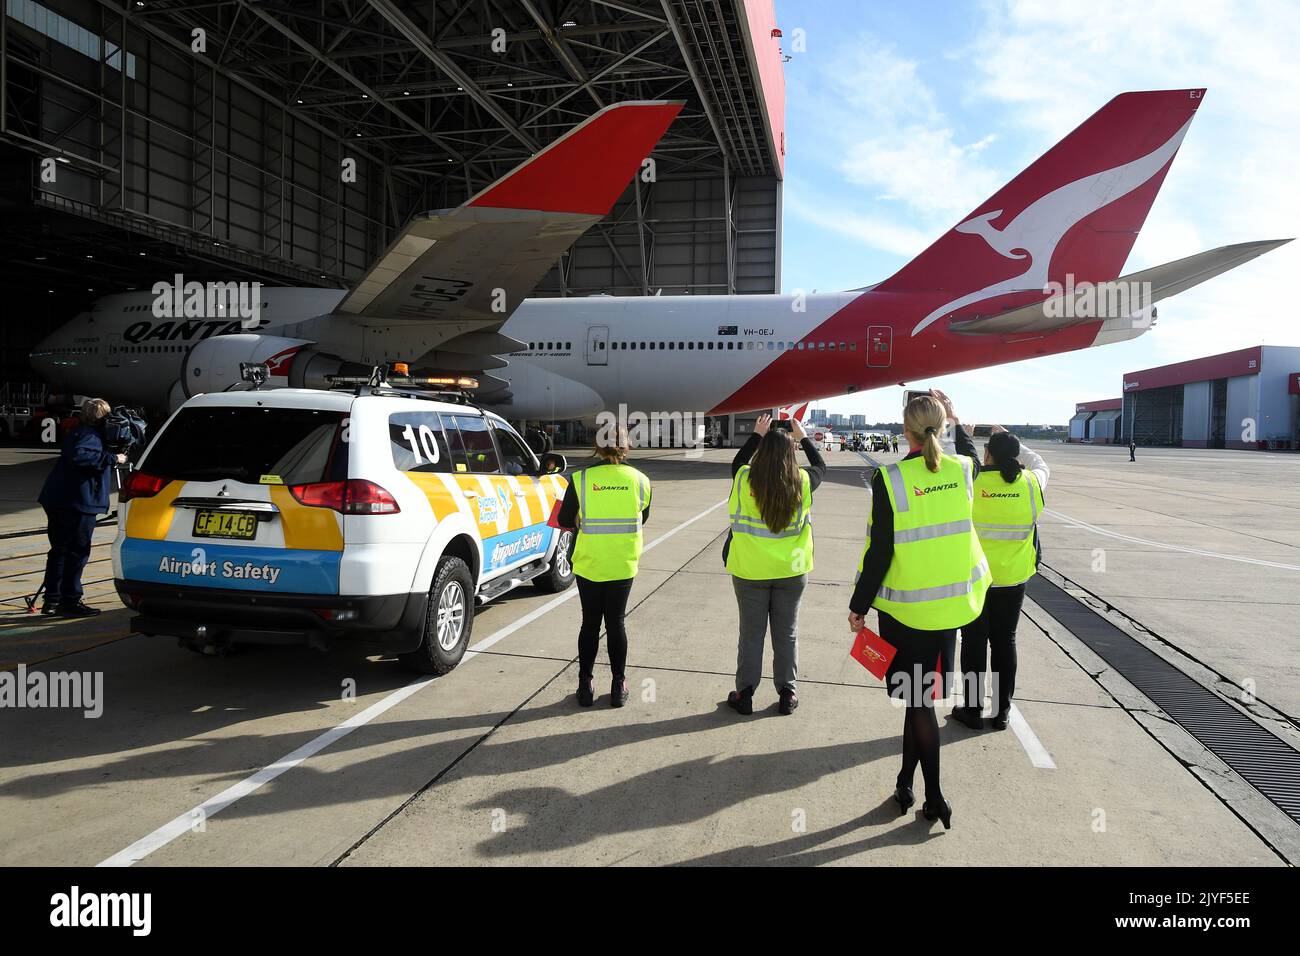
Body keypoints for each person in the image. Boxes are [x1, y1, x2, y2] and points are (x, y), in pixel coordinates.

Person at [847, 390, 988, 829]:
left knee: (917, 702)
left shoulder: (889, 480)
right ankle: (905, 782)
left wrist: (858, 606)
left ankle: (936, 797)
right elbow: (969, 453)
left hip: (906, 615)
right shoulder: (964, 471)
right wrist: (957, 419)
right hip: (950, 612)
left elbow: (880, 553)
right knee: (917, 701)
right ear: (941, 427)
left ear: (903, 429)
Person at [724, 413, 826, 716]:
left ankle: (745, 694)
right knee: (787, 633)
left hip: (750, 570)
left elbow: (738, 462)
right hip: (792, 572)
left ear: (763, 452)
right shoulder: (803, 482)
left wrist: (757, 434)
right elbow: (821, 466)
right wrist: (803, 437)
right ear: (790, 453)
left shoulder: (744, 479)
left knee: (751, 634)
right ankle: (787, 692)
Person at [952, 426, 1048, 731]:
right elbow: (1041, 465)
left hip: (977, 578)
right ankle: (1003, 711)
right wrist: (1013, 442)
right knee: (1005, 641)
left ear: (987, 453)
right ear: (1015, 454)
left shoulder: (973, 480)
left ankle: (972, 709)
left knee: (973, 642)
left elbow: (961, 460)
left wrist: (961, 431)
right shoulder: (1032, 483)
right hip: (1013, 578)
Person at [556, 426, 651, 707]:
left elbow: (563, 519)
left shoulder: (580, 478)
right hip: (622, 562)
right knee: (616, 622)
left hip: (589, 562)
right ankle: (619, 685)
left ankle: (585, 685)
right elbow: (642, 517)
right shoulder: (640, 480)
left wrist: (578, 520)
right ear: (627, 447)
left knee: (590, 623)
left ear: (597, 447)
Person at [37, 398, 126, 617]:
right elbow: (81, 456)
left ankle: (52, 601)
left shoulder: (80, 431)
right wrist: (114, 458)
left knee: (60, 551)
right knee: (76, 552)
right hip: (76, 501)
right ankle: (69, 601)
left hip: (58, 498)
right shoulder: (90, 435)